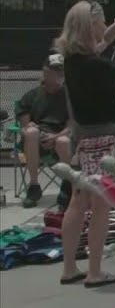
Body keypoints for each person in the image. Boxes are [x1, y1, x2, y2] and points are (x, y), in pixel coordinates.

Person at [56, 1, 115, 288]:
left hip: (83, 135)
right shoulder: (96, 65)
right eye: (101, 21)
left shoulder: (73, 60)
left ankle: (69, 268)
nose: (104, 26)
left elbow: (105, 40)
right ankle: (94, 271)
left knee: (78, 199)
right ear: (89, 26)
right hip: (104, 137)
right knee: (102, 203)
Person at [17, 53, 73, 209]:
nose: (60, 73)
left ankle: (68, 186)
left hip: (60, 138)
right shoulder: (32, 95)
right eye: (56, 70)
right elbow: (25, 124)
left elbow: (71, 126)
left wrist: (55, 137)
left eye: (62, 70)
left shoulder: (70, 96)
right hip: (36, 141)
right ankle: (34, 186)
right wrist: (33, 129)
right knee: (31, 133)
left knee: (64, 141)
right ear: (46, 72)